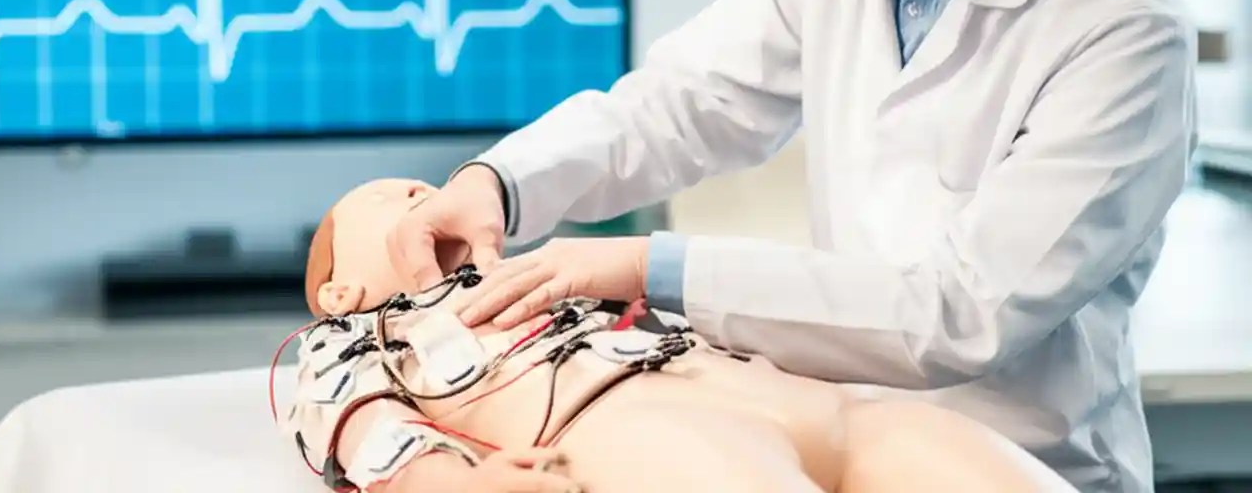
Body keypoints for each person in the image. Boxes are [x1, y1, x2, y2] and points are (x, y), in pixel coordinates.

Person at [387, 0, 1198, 491]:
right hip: (830, 444)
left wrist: (646, 267)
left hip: (1019, 460)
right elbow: (680, 103)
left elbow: (960, 313)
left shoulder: (1121, 26)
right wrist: (500, 183)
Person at [279, 177, 1075, 492]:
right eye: (389, 199)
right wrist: (463, 487)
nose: (422, 194)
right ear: (338, 289)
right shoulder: (352, 339)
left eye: (425, 186)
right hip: (629, 425)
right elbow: (369, 435)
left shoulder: (551, 277)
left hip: (800, 398)